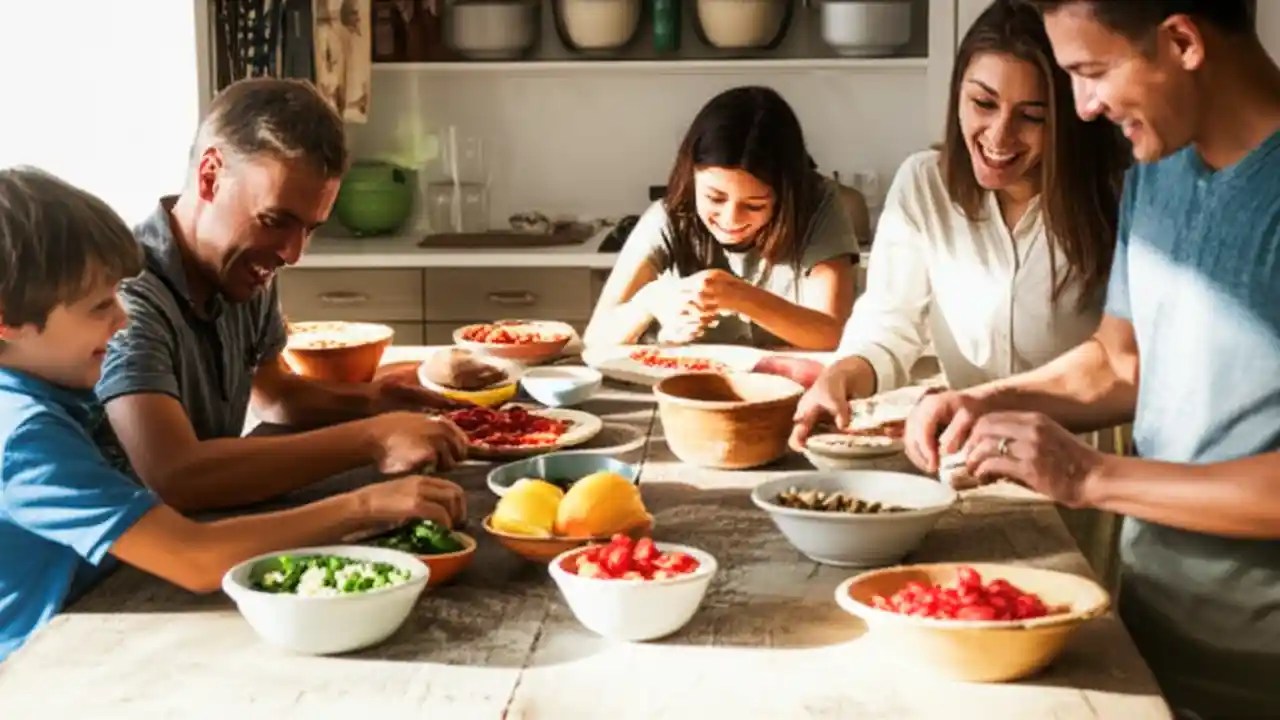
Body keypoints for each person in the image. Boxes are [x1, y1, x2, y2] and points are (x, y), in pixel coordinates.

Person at [906, 1, 1280, 715]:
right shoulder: (1158, 167)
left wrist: (1090, 475)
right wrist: (988, 401)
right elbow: (1120, 360)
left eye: (1092, 72)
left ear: (1181, 41)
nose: (1082, 108)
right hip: (1144, 636)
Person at [0, 167, 467, 661]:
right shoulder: (24, 435)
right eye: (99, 306)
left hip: (104, 613)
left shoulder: (58, 389)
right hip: (38, 667)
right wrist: (366, 506)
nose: (123, 317)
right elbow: (193, 557)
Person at [94, 77, 468, 513]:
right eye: (275, 221)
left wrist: (374, 400)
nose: (293, 254)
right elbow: (176, 476)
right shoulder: (124, 300)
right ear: (210, 176)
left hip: (210, 534)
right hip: (119, 571)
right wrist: (372, 439)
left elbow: (276, 396)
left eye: (309, 229)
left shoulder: (241, 269)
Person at [792, 0, 1127, 445]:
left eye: (1031, 116)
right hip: (964, 453)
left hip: (1080, 463)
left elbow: (1121, 362)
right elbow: (889, 323)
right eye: (983, 103)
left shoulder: (1116, 194)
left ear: (1068, 118)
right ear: (957, 96)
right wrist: (843, 375)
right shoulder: (925, 183)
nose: (999, 134)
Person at [583, 86, 863, 351]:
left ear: (786, 193)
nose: (731, 220)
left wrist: (740, 296)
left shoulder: (816, 205)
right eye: (714, 199)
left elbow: (833, 332)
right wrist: (649, 302)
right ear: (691, 177)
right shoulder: (671, 215)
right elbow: (596, 337)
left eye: (754, 205)